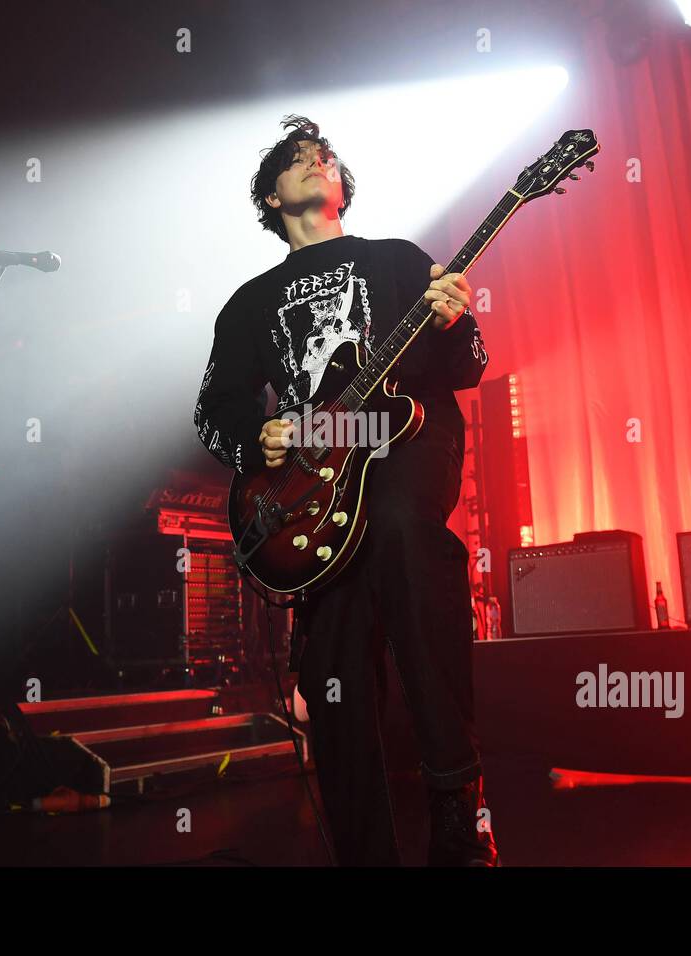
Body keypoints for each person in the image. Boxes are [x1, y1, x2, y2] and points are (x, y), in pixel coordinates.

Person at [193, 115, 498, 866]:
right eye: (300, 158)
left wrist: (458, 323)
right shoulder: (250, 303)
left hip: (401, 445)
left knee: (399, 528)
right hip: (311, 487)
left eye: (325, 154)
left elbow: (470, 365)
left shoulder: (397, 260)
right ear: (271, 196)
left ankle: (459, 802)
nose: (318, 161)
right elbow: (214, 411)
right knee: (330, 668)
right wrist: (254, 439)